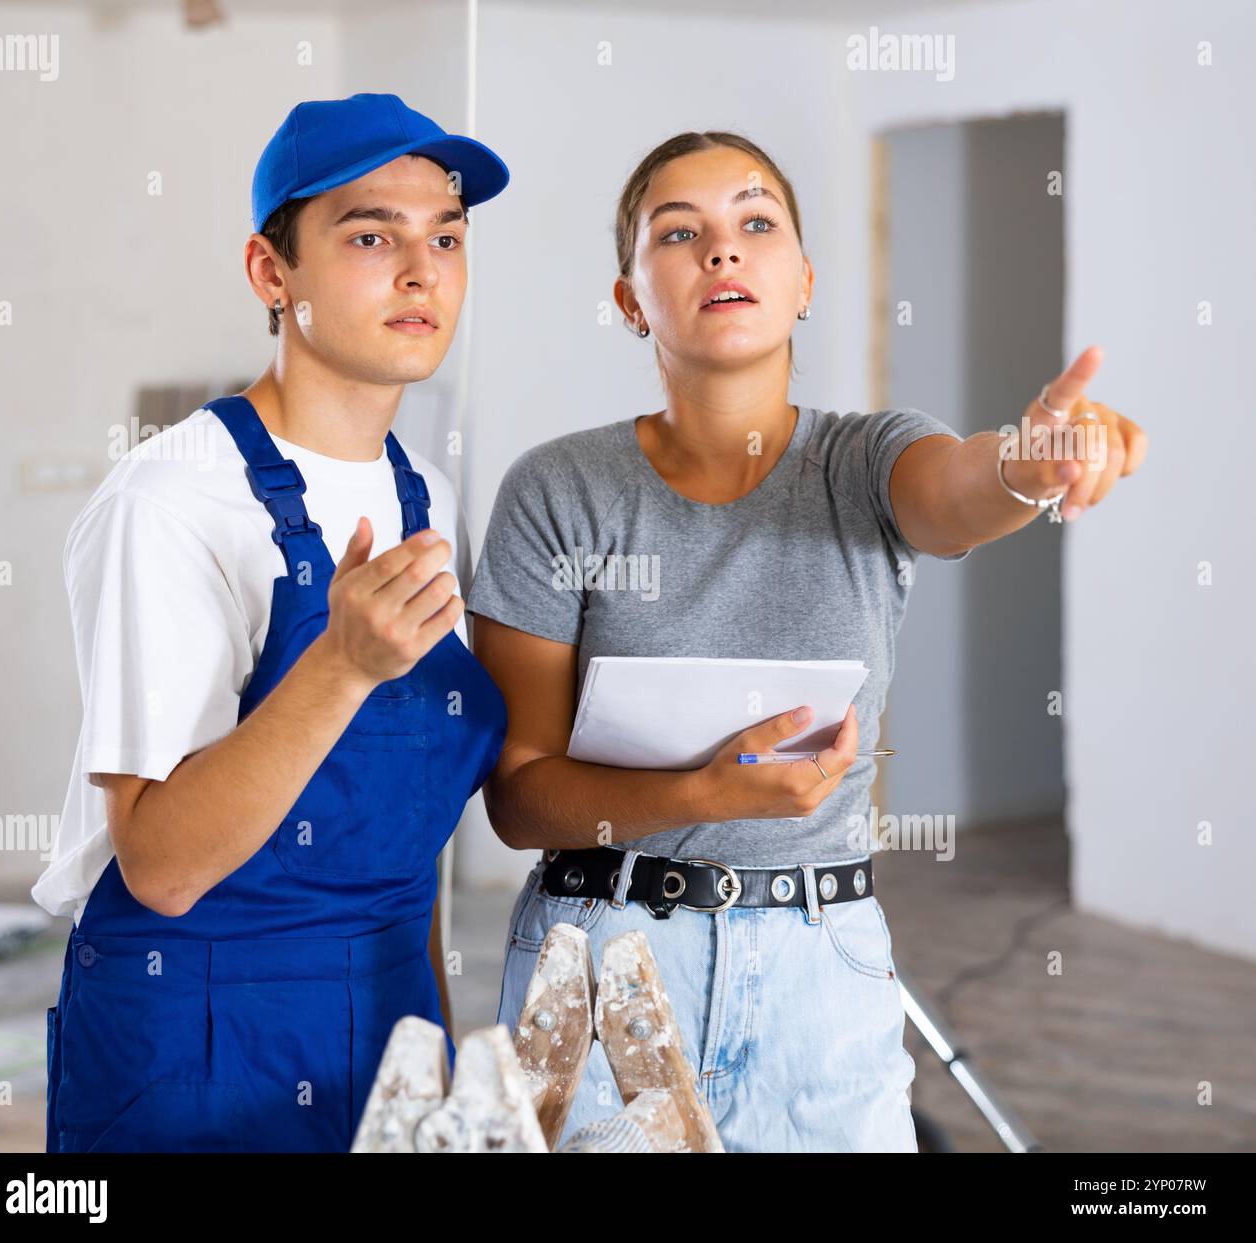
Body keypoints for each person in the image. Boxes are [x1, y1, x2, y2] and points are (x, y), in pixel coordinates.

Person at [466, 130, 1147, 1152]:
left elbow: (958, 490)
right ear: (627, 298)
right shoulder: (559, 489)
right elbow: (520, 798)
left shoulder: (867, 459)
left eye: (754, 223)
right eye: (678, 232)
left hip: (818, 973)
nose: (722, 252)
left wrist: (1028, 461)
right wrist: (701, 795)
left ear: (804, 281)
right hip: (599, 958)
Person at [33, 92, 510, 1153]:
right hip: (201, 1031)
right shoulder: (170, 501)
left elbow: (403, 835)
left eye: (446, 236)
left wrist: (428, 1041)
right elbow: (159, 864)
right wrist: (339, 668)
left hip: (391, 1012)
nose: (421, 270)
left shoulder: (422, 494)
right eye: (370, 234)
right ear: (270, 272)